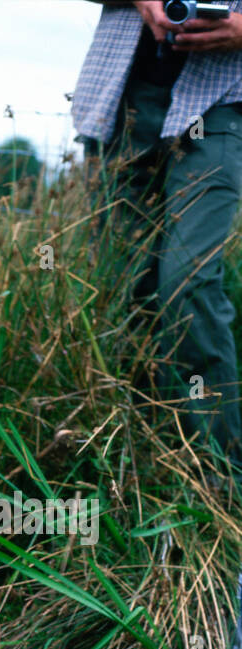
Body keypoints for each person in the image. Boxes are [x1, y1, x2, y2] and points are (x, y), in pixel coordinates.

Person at [73, 1, 242, 476]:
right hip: (122, 97)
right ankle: (137, 459)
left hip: (223, 102)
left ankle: (219, 475)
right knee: (122, 285)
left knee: (187, 282)